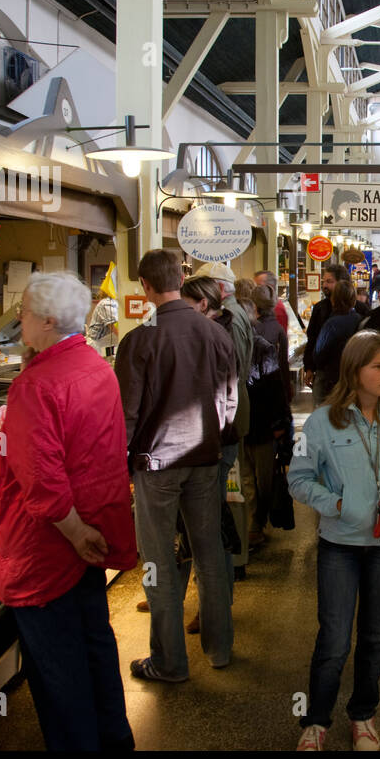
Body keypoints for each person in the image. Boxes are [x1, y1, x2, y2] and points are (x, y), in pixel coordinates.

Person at [0, 271, 136, 749]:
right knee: (94, 647)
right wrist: (84, 533)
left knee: (58, 674)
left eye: (25, 313)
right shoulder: (95, 366)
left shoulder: (35, 385)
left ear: (48, 320)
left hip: (45, 549)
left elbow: (43, 480)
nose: (19, 320)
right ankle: (114, 740)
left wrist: (72, 531)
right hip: (89, 537)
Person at [288, 330, 380, 751]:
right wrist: (338, 504)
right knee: (333, 638)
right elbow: (298, 478)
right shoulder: (320, 422)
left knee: (375, 637)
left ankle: (363, 714)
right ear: (354, 369)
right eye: (377, 366)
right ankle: (316, 720)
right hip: (339, 546)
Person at [116, 249, 239, 682]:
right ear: (179, 279)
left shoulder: (139, 339)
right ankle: (220, 648)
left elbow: (127, 412)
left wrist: (119, 463)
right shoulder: (215, 334)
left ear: (145, 286)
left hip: (156, 464)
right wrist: (212, 437)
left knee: (158, 562)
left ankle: (169, 662)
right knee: (208, 553)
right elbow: (229, 400)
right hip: (206, 458)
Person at [182, 275, 251, 595]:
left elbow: (224, 388)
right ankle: (204, 594)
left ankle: (216, 597)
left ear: (204, 303)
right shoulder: (213, 330)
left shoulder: (220, 333)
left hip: (216, 439)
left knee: (210, 520)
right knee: (202, 519)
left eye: (185, 305)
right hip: (210, 438)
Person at [243, 282, 294, 549]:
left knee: (251, 478)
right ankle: (254, 524)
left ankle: (253, 523)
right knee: (261, 476)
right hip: (263, 421)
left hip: (250, 421)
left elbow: (276, 379)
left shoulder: (260, 344)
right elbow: (280, 377)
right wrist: (282, 419)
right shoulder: (273, 334)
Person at [303, 264, 346, 407]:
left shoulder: (357, 309)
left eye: (329, 281)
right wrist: (309, 367)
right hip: (322, 372)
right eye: (324, 281)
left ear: (341, 283)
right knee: (321, 415)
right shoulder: (320, 308)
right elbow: (312, 338)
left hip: (346, 374)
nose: (324, 285)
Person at [313, 277, 362, 398]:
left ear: (334, 299)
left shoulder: (331, 324)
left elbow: (318, 354)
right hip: (354, 378)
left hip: (332, 380)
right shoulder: (360, 320)